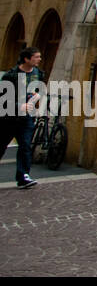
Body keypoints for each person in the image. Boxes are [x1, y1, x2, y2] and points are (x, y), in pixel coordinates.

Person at [0, 48, 44, 189]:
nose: (39, 59)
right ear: (26, 59)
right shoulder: (11, 76)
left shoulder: (38, 73)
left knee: (25, 146)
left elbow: (37, 90)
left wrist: (37, 97)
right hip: (9, 119)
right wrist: (19, 105)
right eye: (36, 57)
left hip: (26, 119)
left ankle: (23, 176)